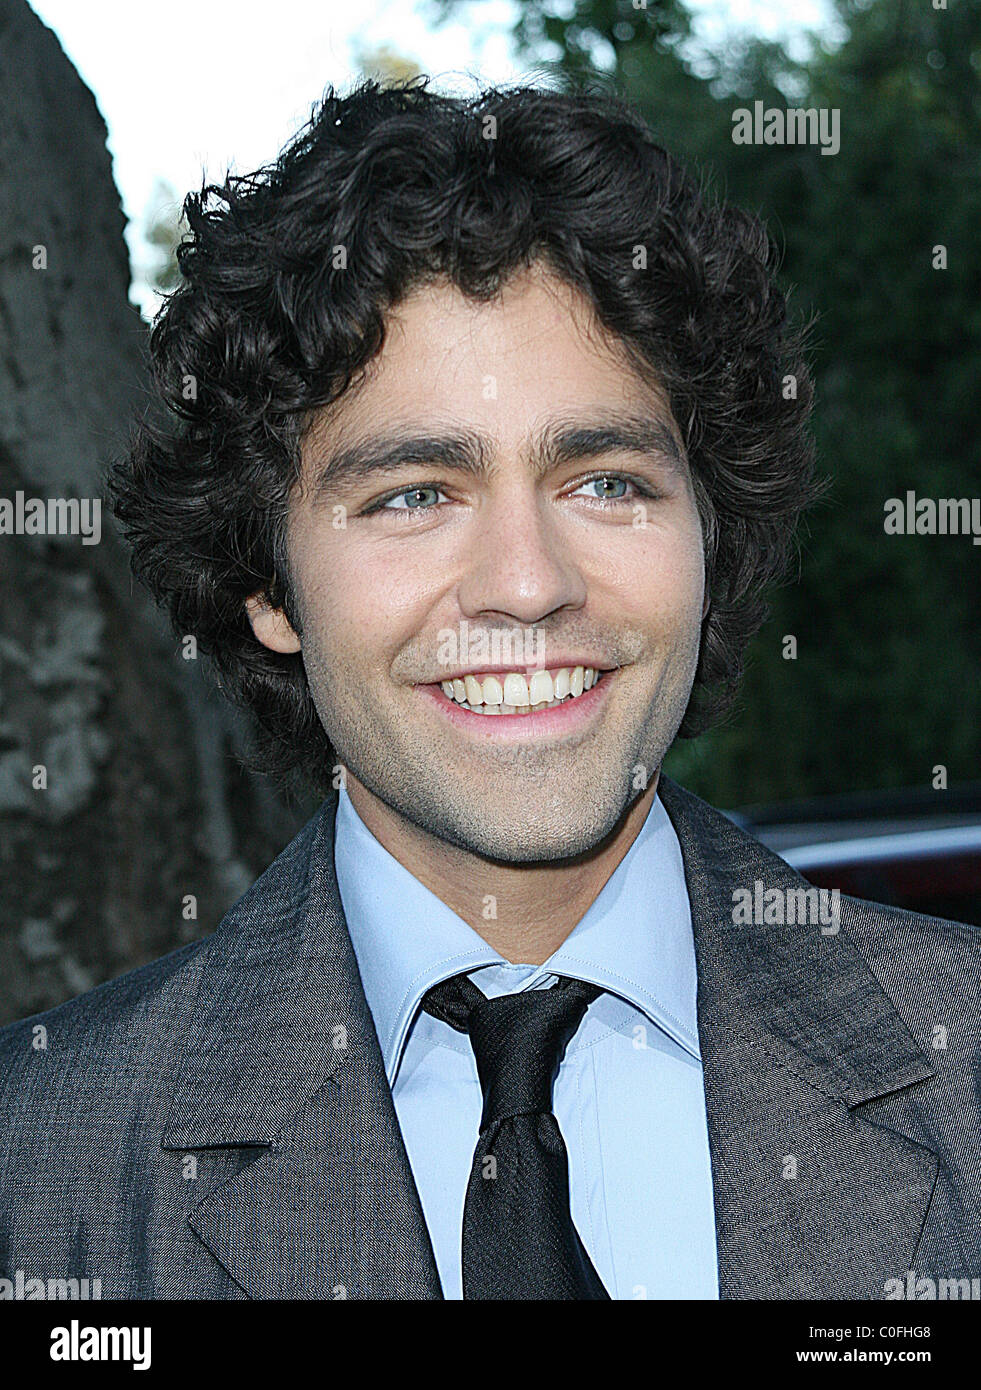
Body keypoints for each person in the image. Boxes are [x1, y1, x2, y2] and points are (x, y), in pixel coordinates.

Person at [1, 79, 977, 1302]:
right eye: (415, 493)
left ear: (708, 531)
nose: (527, 584)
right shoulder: (35, 1166)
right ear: (267, 581)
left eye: (606, 480)